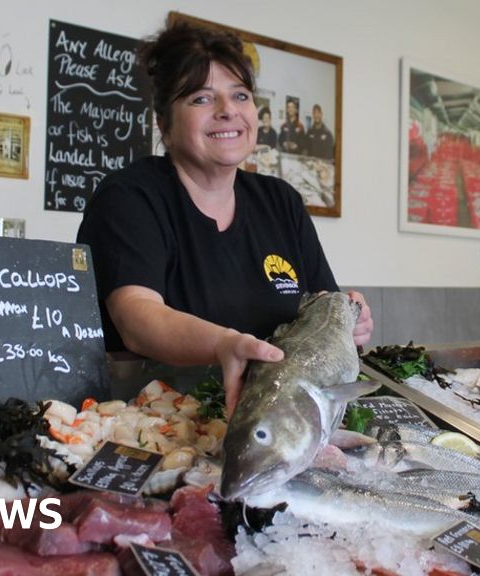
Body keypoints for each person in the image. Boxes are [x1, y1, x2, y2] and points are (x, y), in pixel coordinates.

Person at [76, 21, 373, 413]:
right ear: (164, 122)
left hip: (270, 416)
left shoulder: (280, 201)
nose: (227, 111)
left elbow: (321, 307)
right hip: (157, 422)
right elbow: (136, 316)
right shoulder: (130, 197)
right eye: (201, 99)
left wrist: (349, 317)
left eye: (240, 95)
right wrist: (223, 345)